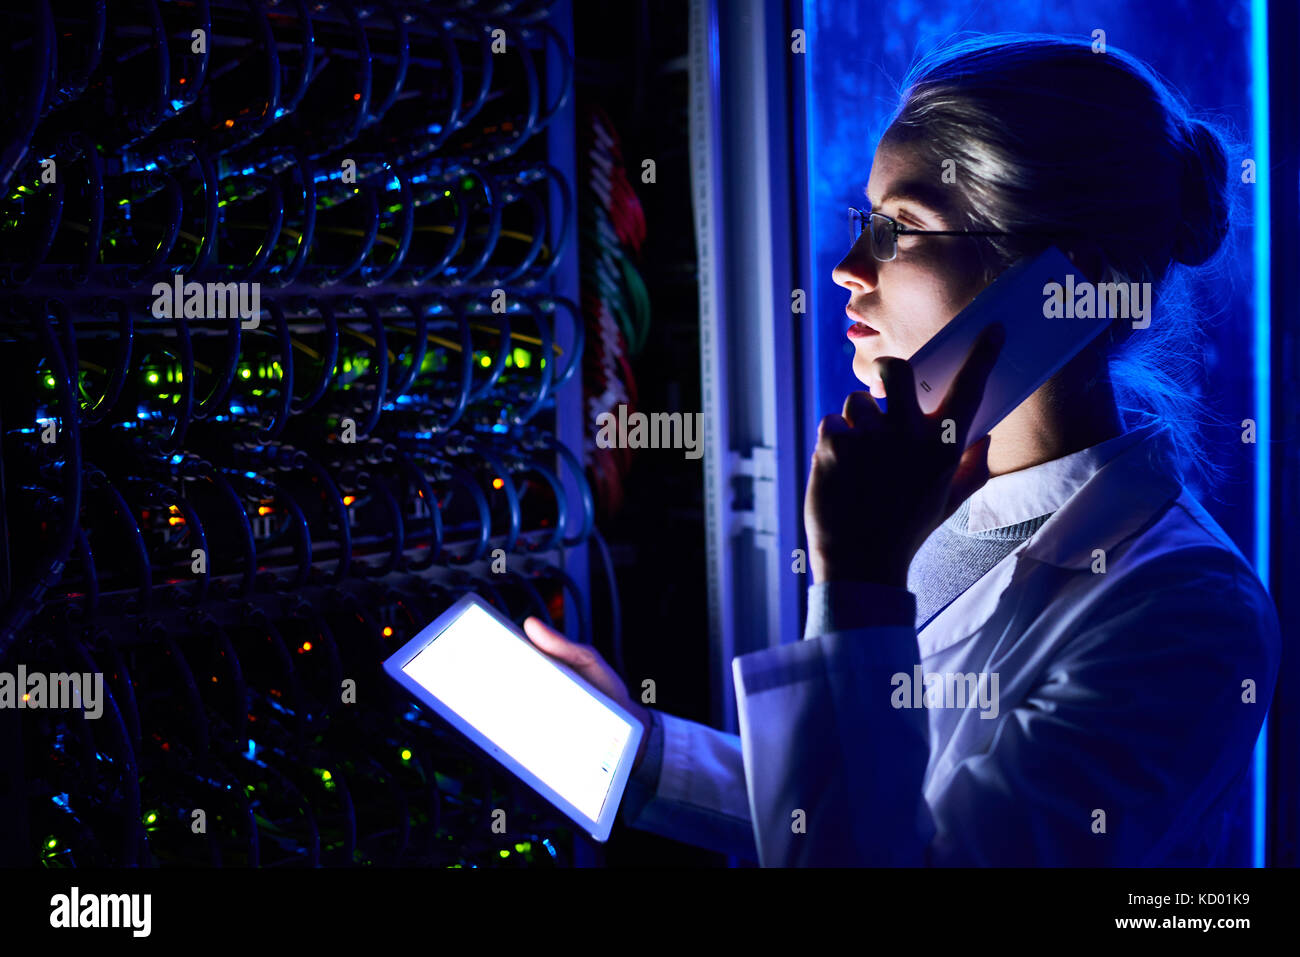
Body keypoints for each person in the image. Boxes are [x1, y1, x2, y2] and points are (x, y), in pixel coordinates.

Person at [523, 33, 1281, 865]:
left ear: (1068, 285)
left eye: (902, 229)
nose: (850, 268)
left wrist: (858, 581)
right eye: (866, 224)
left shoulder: (1189, 613)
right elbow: (862, 807)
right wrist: (642, 754)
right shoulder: (946, 501)